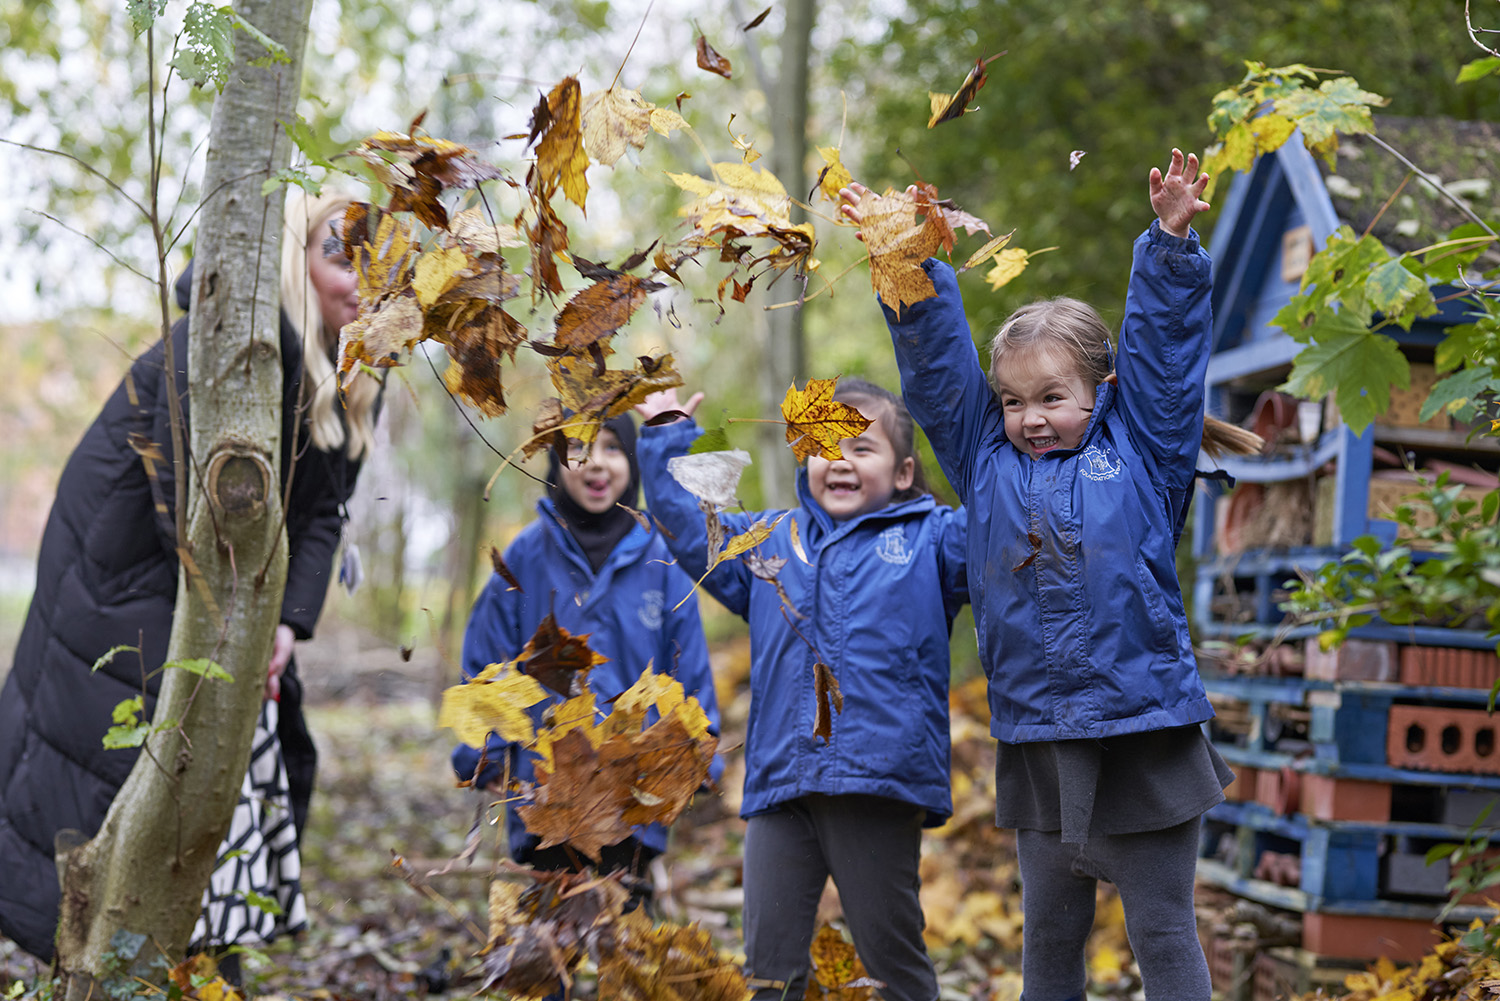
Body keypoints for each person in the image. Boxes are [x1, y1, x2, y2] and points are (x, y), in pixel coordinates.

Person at [840, 150, 1240, 1000]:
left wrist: (1168, 244)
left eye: (1052, 398)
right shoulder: (983, 457)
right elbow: (940, 373)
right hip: (1041, 736)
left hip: (1146, 732)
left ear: (1101, 390)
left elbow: (1168, 359)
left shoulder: (1145, 451)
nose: (1029, 418)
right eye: (1014, 401)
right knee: (1049, 940)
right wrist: (906, 258)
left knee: (1162, 932)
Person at [0, 189, 380, 963]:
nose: (362, 280)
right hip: (125, 580)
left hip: (213, 589)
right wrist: (238, 615)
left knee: (228, 764)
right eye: (341, 254)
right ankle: (102, 958)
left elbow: (323, 514)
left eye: (382, 266)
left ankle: (189, 958)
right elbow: (195, 508)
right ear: (291, 260)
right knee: (99, 767)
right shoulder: (226, 345)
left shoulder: (350, 380)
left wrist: (286, 620)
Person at [635, 379, 968, 1001]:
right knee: (768, 966)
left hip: (879, 783)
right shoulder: (768, 541)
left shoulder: (935, 538)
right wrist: (669, 434)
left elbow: (1001, 521)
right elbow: (688, 525)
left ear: (901, 473)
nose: (838, 458)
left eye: (861, 447)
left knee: (891, 957)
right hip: (780, 784)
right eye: (822, 445)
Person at [451, 414, 721, 912]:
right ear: (555, 462)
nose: (596, 461)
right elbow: (488, 661)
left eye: (614, 448)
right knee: (550, 936)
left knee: (625, 938)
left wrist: (700, 757)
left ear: (633, 463)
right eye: (579, 448)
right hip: (545, 785)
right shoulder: (526, 555)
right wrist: (484, 754)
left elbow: (690, 669)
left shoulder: (661, 560)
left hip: (634, 787)